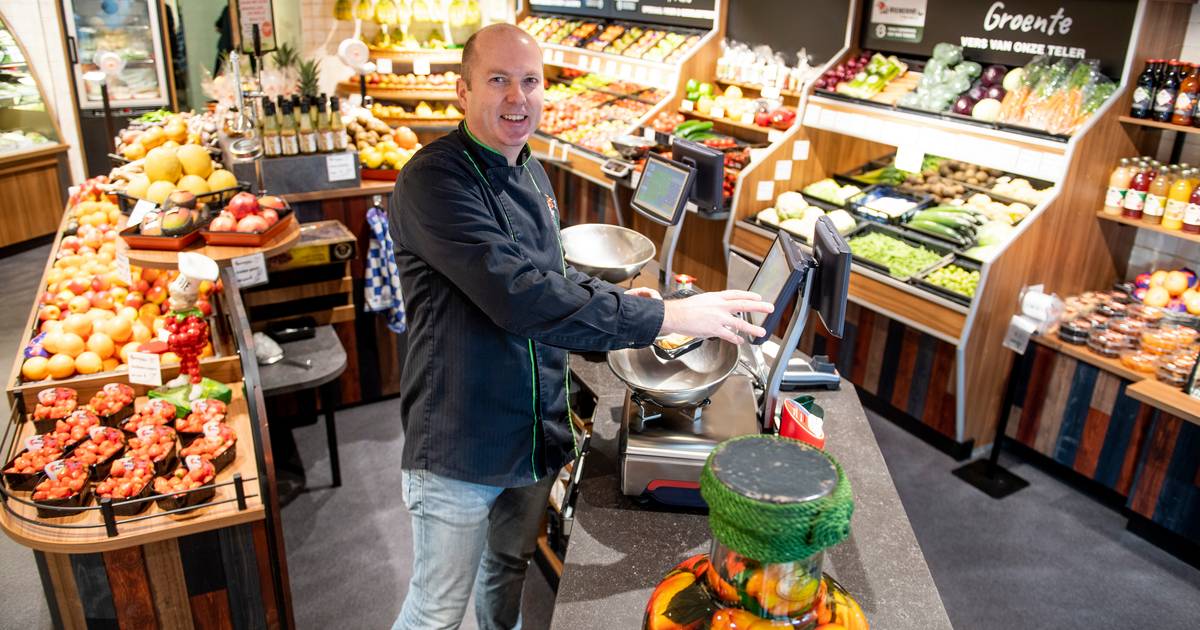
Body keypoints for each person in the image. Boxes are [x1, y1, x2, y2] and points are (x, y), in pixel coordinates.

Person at [388, 23, 773, 630]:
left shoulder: (533, 173)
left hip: (533, 431)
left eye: (531, 82)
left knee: (506, 572)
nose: (518, 98)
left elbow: (552, 272)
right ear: (462, 92)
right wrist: (665, 316)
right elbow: (518, 296)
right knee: (436, 609)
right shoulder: (434, 182)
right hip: (460, 441)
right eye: (498, 81)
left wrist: (619, 295)